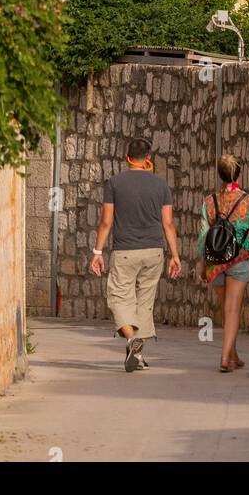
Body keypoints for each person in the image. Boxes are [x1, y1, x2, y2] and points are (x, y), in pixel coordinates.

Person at [90, 137, 182, 371]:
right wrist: (175, 255)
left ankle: (132, 341)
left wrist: (97, 252)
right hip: (154, 251)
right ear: (148, 159)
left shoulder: (114, 183)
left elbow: (106, 222)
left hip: (125, 252)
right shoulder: (161, 185)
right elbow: (168, 223)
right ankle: (138, 355)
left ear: (127, 158)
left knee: (118, 299)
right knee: (145, 303)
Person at [196, 153, 249, 373]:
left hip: (215, 262)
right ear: (239, 174)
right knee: (233, 308)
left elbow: (203, 235)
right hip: (239, 258)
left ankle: (234, 355)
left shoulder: (209, 202)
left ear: (220, 175)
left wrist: (201, 262)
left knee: (226, 310)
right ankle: (225, 357)